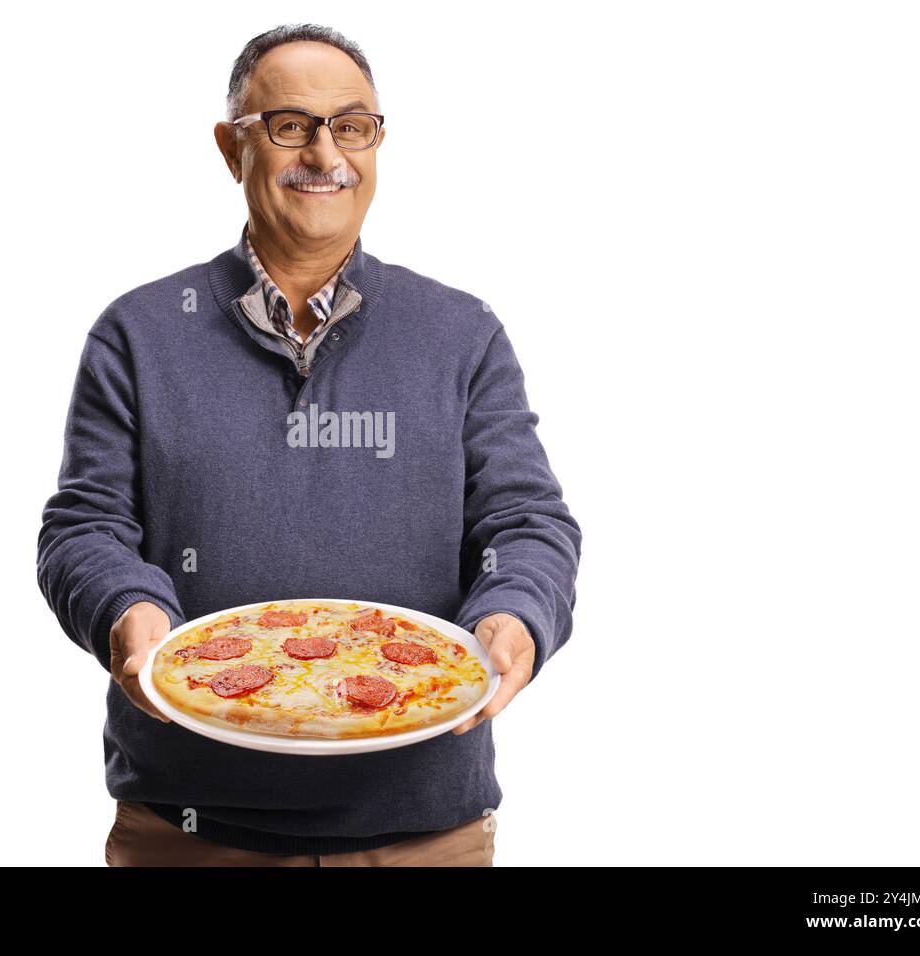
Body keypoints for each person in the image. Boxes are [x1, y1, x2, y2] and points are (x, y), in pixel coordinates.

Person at [36, 23, 582, 867]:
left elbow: (526, 522)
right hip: (189, 836)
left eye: (352, 125)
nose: (324, 152)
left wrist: (517, 615)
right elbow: (85, 529)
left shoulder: (462, 333)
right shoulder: (138, 333)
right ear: (232, 148)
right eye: (289, 124)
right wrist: (126, 610)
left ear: (376, 144)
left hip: (424, 836)